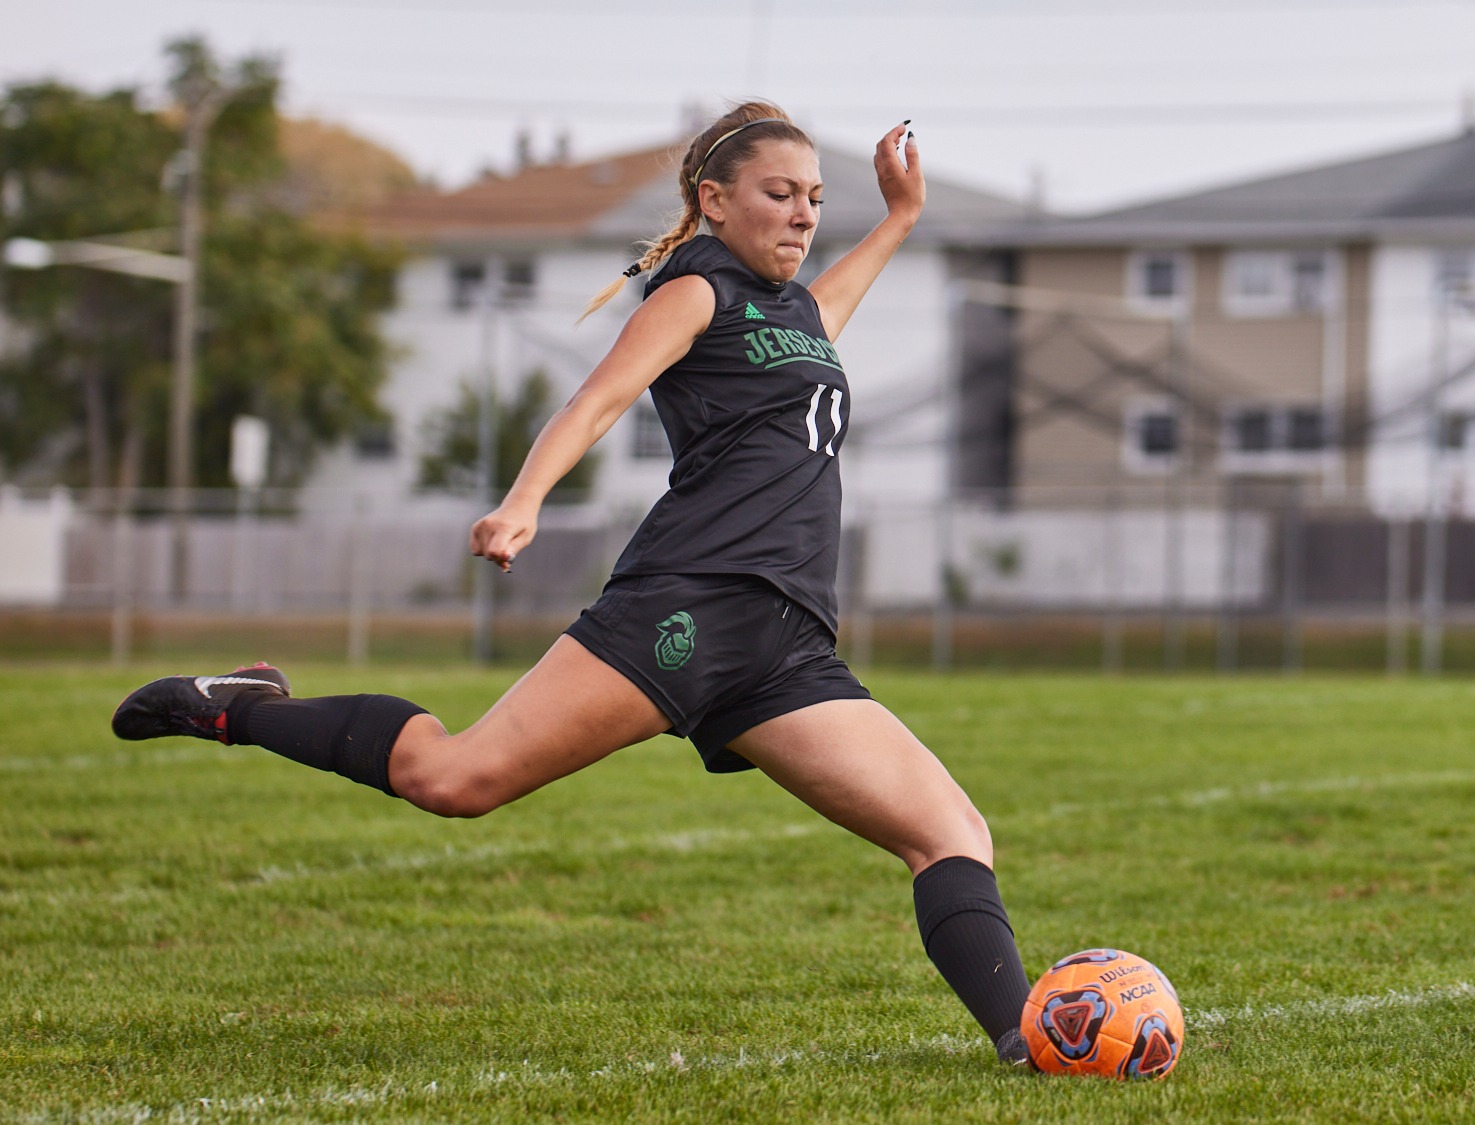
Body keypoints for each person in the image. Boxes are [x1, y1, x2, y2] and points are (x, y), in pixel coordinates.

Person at [112, 102, 1035, 1067]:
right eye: (779, 194)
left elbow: (825, 315)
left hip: (786, 643)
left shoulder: (793, 311)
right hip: (688, 602)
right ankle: (240, 706)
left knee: (950, 829)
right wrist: (523, 501)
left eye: (812, 199)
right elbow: (597, 399)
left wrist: (897, 219)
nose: (803, 215)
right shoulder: (694, 291)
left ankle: (1028, 1038)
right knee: (454, 778)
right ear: (714, 202)